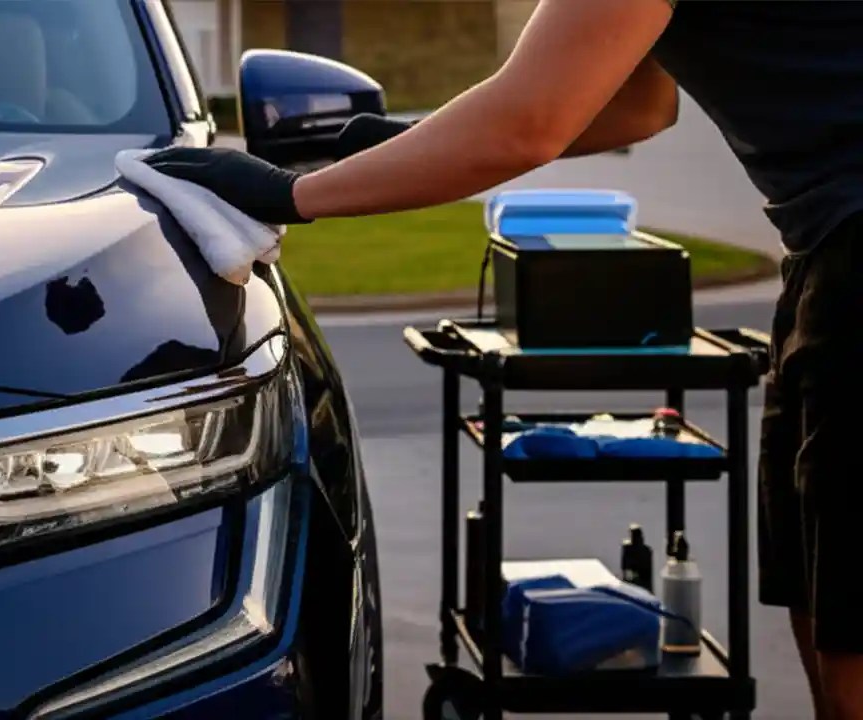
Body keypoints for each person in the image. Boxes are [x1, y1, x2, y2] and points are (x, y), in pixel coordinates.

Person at [144, 1, 863, 718]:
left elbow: (528, 122)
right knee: (822, 603)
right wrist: (411, 140)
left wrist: (293, 196)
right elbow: (638, 106)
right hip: (823, 255)